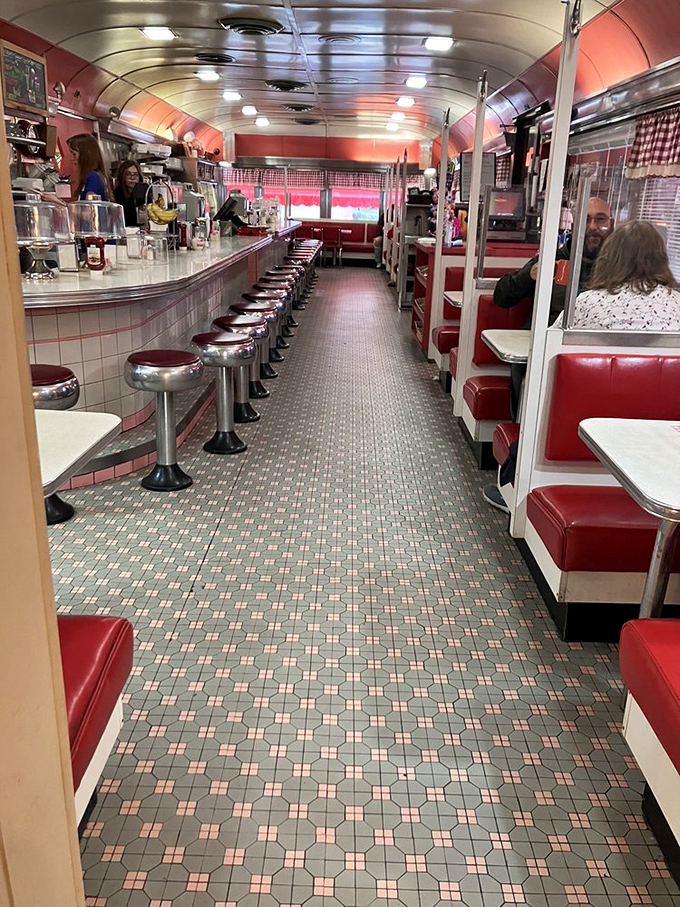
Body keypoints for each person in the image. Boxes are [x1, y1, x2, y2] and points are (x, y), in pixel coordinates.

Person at [483, 197, 614, 514]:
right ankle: (519, 476)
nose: (594, 227)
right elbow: (501, 296)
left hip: (602, 361)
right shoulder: (554, 259)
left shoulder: (622, 268)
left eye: (600, 220)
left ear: (611, 224)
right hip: (545, 357)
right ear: (575, 225)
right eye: (587, 220)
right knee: (531, 382)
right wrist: (530, 276)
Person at [570, 221, 680, 330]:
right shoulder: (676, 302)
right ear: (660, 258)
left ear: (610, 256)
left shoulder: (586, 303)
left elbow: (559, 336)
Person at [67, 133, 112, 201]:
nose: (71, 158)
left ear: (85, 155)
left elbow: (90, 205)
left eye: (74, 154)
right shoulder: (94, 176)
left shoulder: (93, 177)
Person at [114, 159, 145, 226]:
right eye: (128, 174)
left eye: (136, 175)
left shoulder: (144, 194)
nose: (132, 178)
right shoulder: (117, 195)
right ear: (122, 176)